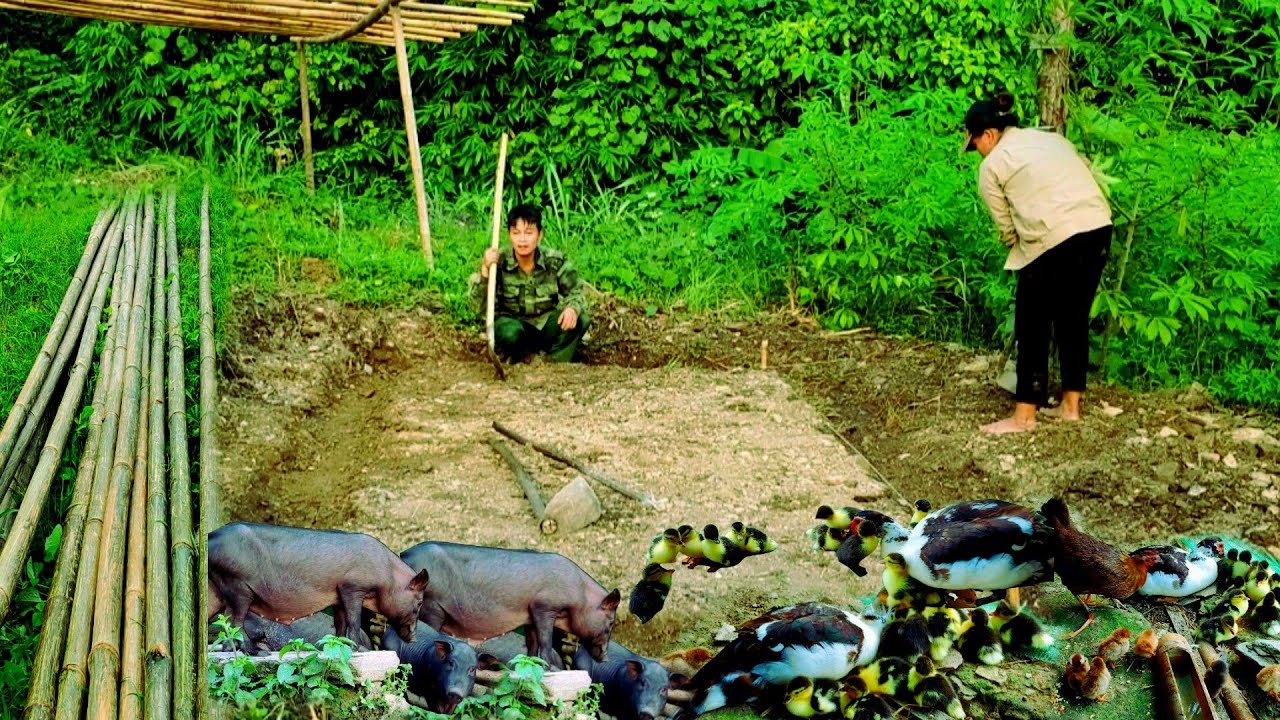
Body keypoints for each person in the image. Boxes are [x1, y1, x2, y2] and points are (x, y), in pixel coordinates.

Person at [963, 92, 1113, 434]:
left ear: (987, 135)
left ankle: (1024, 416)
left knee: (1032, 323)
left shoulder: (992, 166)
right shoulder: (1052, 140)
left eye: (975, 144)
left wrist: (1025, 257)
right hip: (1098, 228)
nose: (977, 153)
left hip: (1054, 236)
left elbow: (1006, 228)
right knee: (1073, 319)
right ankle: (1070, 407)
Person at [477, 204, 589, 362]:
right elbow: (480, 308)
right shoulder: (498, 262)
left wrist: (572, 308)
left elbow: (576, 292)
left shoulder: (555, 261)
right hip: (512, 325)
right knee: (510, 333)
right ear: (509, 235)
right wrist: (485, 270)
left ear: (540, 235)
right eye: (516, 233)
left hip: (544, 325)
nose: (522, 240)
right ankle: (518, 360)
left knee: (581, 319)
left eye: (529, 233)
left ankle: (554, 364)